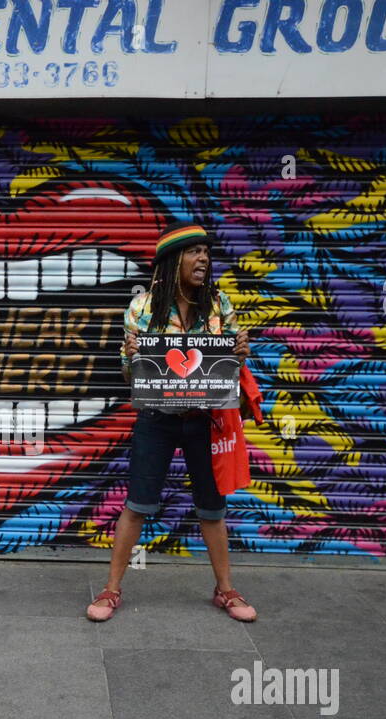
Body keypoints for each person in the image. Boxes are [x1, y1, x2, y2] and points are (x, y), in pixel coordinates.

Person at [86, 221, 258, 623]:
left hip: (206, 420)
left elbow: (228, 371)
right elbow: (131, 379)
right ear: (172, 260)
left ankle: (225, 590)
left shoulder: (218, 304)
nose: (204, 258)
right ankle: (111, 590)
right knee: (137, 505)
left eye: (206, 252)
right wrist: (132, 357)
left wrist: (240, 353)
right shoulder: (142, 308)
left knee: (212, 507)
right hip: (157, 419)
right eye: (194, 251)